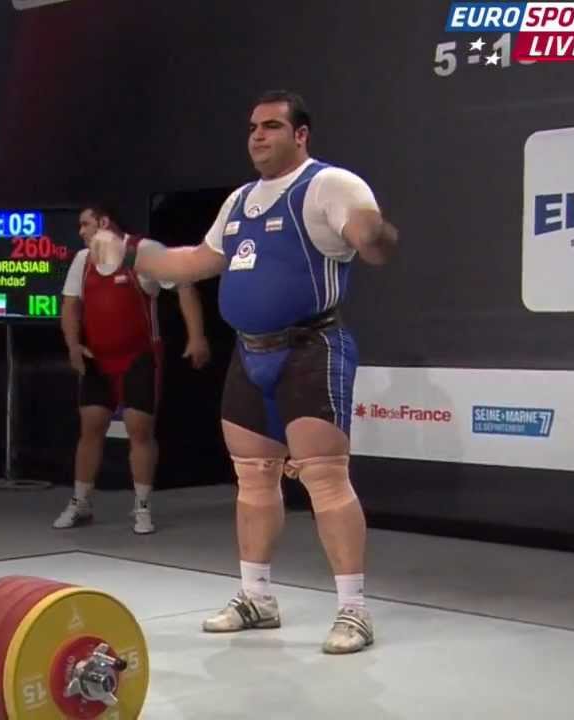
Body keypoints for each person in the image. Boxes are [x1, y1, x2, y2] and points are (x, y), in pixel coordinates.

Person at [113, 90, 399, 653]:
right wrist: (127, 249)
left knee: (324, 478)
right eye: (252, 128)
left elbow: (371, 240)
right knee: (252, 478)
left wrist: (371, 234)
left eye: (271, 126)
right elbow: (192, 263)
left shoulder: (329, 186)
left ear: (301, 135)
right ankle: (257, 598)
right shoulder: (241, 200)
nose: (258, 136)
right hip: (250, 354)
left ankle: (353, 611)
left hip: (310, 348)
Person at [53, 205, 211, 535]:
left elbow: (184, 284)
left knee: (139, 429)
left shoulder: (144, 251)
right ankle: (81, 502)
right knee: (91, 426)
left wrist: (196, 337)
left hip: (139, 357)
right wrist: (72, 344)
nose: (80, 231)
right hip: (98, 357)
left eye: (85, 224)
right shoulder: (83, 261)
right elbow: (70, 306)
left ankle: (141, 506)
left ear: (105, 221)